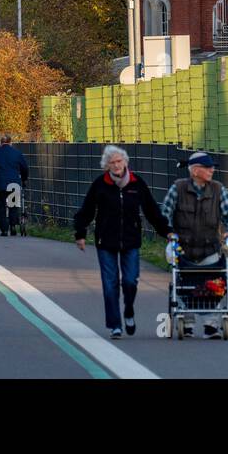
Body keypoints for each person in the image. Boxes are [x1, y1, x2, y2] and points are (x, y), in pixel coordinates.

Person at [73, 145, 169, 338]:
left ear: (125, 162)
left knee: (130, 281)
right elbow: (87, 210)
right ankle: (115, 325)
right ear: (106, 165)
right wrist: (80, 233)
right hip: (105, 240)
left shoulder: (136, 183)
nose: (116, 165)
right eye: (112, 162)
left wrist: (166, 231)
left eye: (119, 161)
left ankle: (129, 310)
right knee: (110, 285)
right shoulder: (100, 184)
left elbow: (151, 210)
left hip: (131, 240)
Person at [160, 151, 228, 338]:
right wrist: (169, 232)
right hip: (183, 248)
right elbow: (164, 215)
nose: (212, 170)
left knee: (214, 283)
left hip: (209, 247)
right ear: (195, 171)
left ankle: (211, 325)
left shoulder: (218, 190)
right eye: (207, 167)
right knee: (183, 282)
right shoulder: (178, 188)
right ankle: (186, 322)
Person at [0, 134, 28, 237]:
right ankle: (13, 226)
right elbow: (24, 168)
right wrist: (24, 179)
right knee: (13, 205)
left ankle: (4, 229)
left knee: (0, 206)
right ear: (11, 143)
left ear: (0, 143)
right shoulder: (17, 153)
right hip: (14, 183)